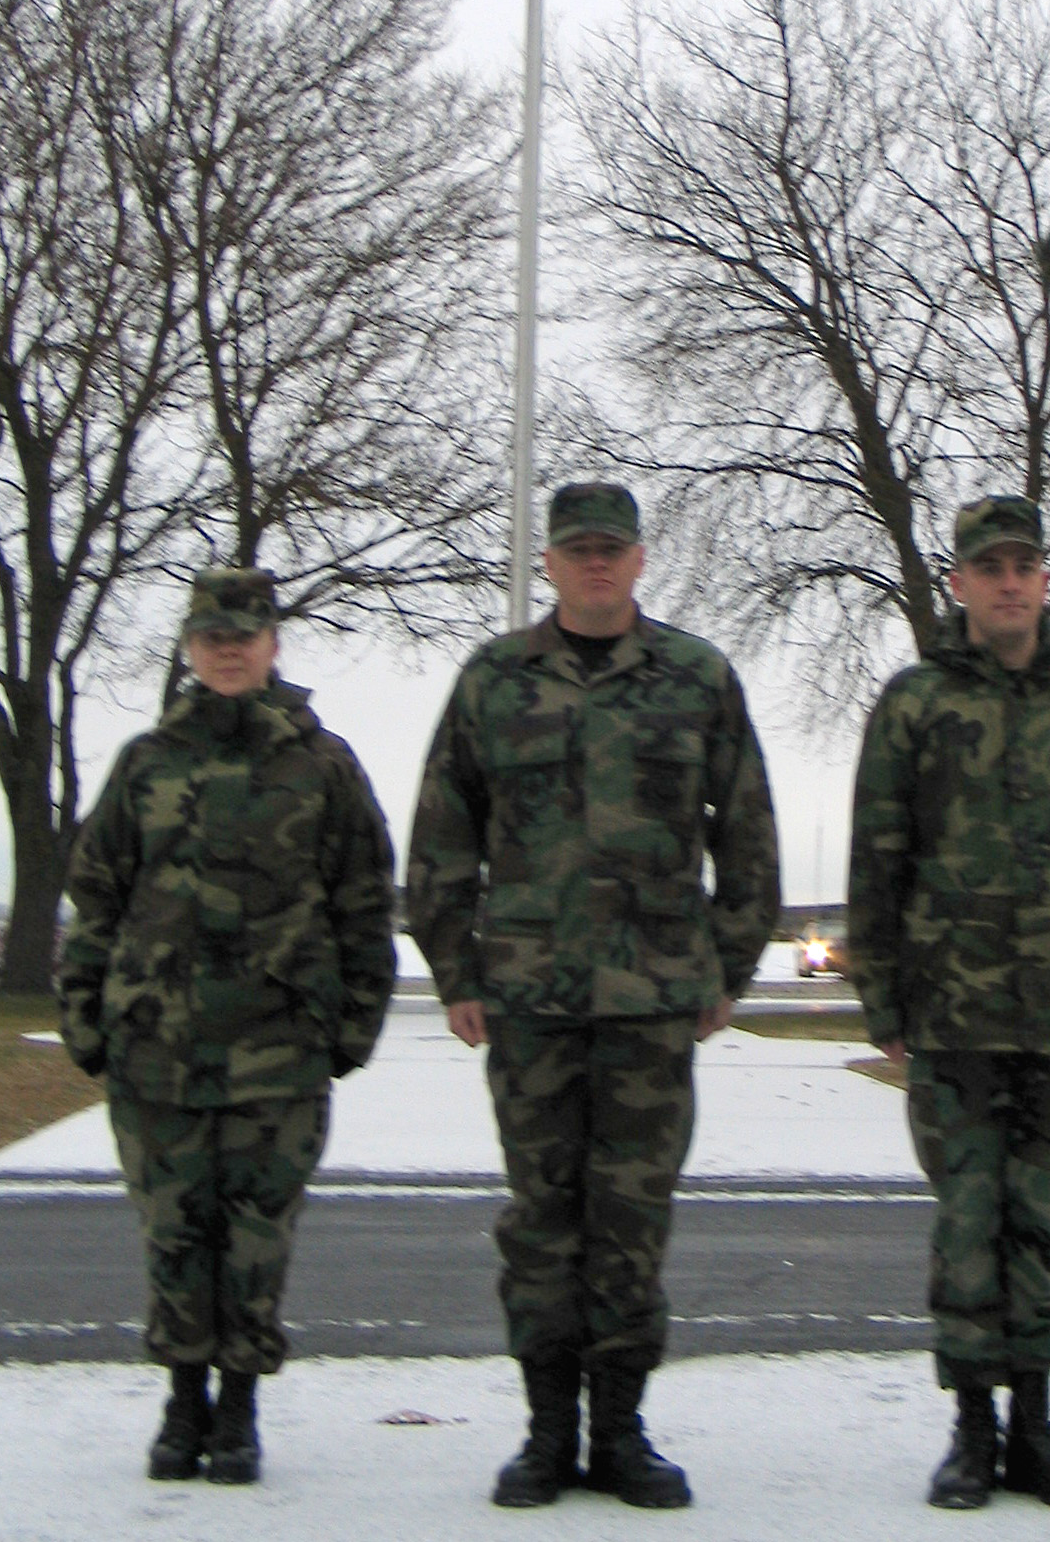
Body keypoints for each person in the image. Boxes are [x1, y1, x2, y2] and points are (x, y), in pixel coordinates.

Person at [406, 480, 781, 1511]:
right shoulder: (493, 679)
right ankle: (544, 1430)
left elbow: (746, 831)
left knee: (632, 1217)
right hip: (528, 998)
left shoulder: (696, 676)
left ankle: (618, 1428)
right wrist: (455, 967)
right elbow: (442, 832)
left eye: (612, 547)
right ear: (550, 561)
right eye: (578, 549)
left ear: (641, 558)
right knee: (542, 1218)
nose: (597, 563)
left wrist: (727, 964)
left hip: (655, 997)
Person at [847, 496, 1050, 1514]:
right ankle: (972, 1431)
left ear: (1045, 579)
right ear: (962, 583)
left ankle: (1037, 1423)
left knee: (1046, 1220)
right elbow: (879, 858)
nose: (1010, 580)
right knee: (968, 1218)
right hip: (954, 1006)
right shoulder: (914, 701)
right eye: (991, 566)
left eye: (1025, 563)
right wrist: (882, 992)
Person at [57, 567, 397, 1486]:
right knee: (173, 1231)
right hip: (156, 1049)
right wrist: (84, 1017)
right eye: (213, 636)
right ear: (190, 647)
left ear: (273, 642)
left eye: (245, 635)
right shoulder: (146, 763)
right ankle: (180, 1403)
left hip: (279, 1051)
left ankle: (240, 1407)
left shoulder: (322, 764)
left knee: (255, 1238)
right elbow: (96, 898)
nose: (230, 649)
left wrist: (353, 1024)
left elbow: (365, 902)